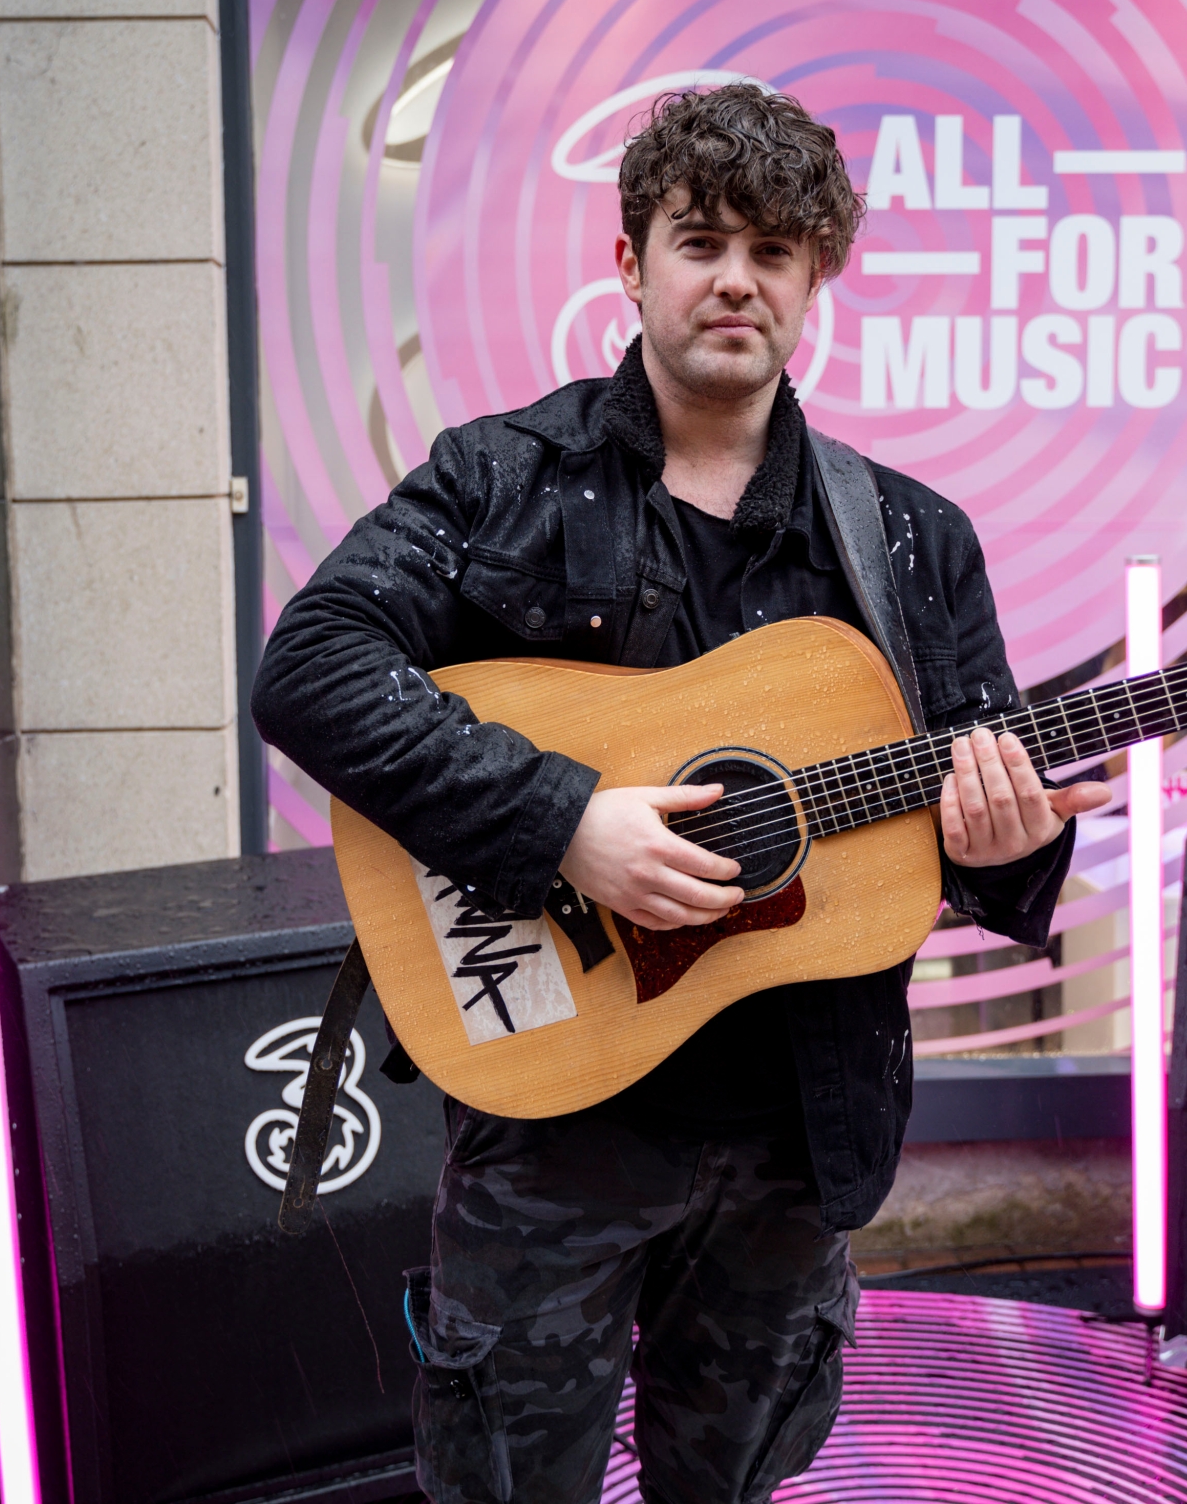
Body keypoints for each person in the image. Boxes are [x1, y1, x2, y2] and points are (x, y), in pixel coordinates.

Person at [251, 84, 1110, 1504]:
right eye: (702, 240)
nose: (737, 280)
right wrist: (566, 824)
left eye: (775, 253)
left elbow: (974, 818)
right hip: (555, 1119)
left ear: (815, 281)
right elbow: (314, 667)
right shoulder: (503, 478)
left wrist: (1010, 851)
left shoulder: (907, 540)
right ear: (630, 261)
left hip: (796, 1129)